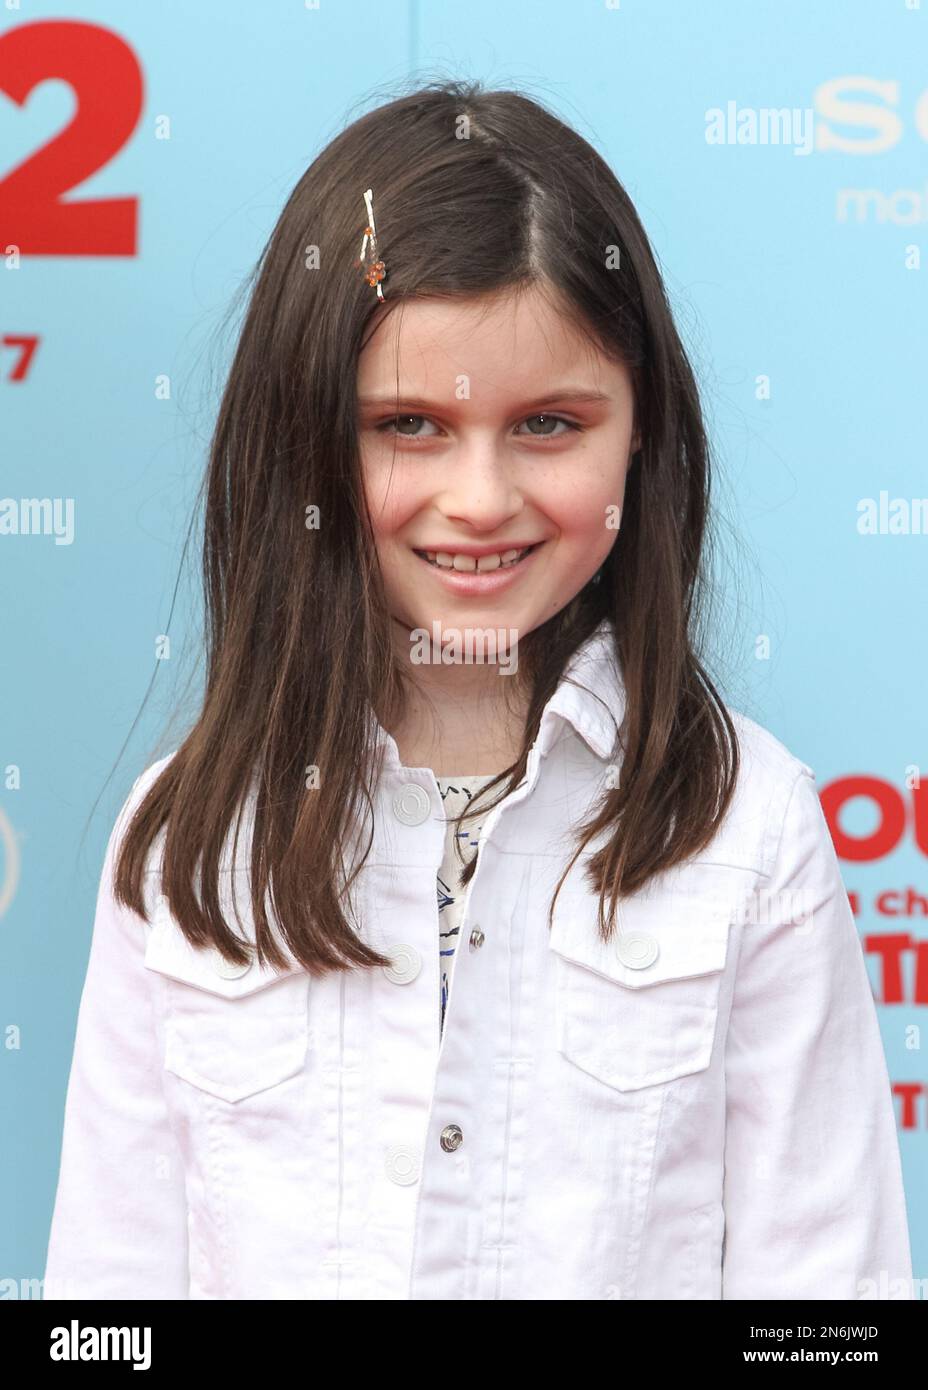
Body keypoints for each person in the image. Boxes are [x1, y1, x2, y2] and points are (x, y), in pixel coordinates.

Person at [43, 79, 913, 1301]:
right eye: (408, 425)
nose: (481, 497)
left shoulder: (750, 831)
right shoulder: (187, 840)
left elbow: (830, 1306)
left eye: (548, 423)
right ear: (306, 441)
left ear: (640, 434)